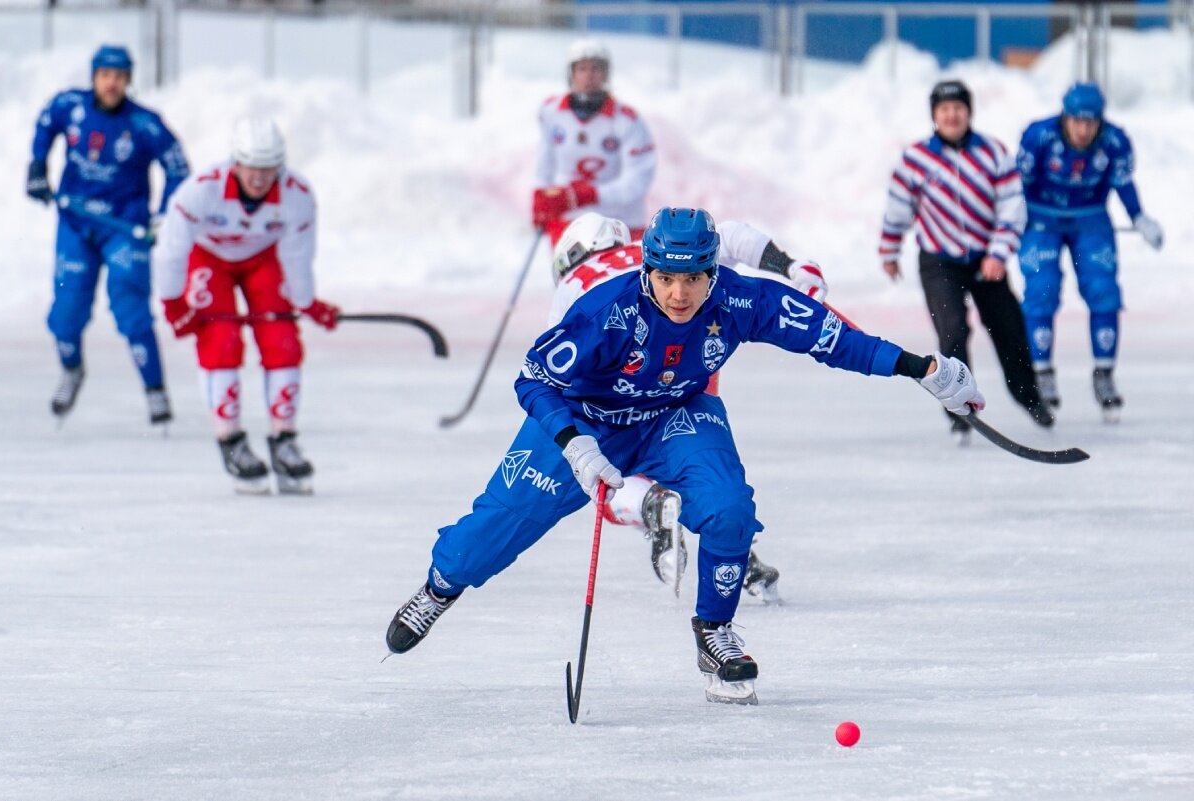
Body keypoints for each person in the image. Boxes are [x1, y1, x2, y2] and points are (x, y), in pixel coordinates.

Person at [385, 207, 986, 706]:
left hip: (674, 413)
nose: (679, 294)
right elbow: (534, 378)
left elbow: (830, 337)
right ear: (646, 268)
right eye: (667, 278)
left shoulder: (739, 298)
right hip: (585, 418)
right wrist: (573, 442)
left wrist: (922, 368)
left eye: (694, 279)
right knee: (495, 529)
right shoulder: (603, 310)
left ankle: (715, 633)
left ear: (712, 273)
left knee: (729, 508)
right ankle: (440, 587)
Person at [549, 212, 829, 602]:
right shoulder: (659, 255)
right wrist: (791, 267)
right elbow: (732, 235)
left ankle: (649, 504)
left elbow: (557, 376)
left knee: (601, 473)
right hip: (690, 367)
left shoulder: (574, 285)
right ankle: (734, 547)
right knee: (698, 463)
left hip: (625, 387)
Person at [152, 117, 339, 495]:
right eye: (251, 167)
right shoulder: (198, 192)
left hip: (262, 258)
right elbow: (172, 252)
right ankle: (231, 440)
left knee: (283, 339)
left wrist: (305, 302)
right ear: (235, 163)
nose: (259, 177)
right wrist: (174, 303)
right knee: (220, 340)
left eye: (268, 168)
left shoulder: (298, 195)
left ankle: (284, 439)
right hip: (209, 256)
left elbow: (298, 255)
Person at [880, 79, 1051, 441]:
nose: (951, 115)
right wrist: (889, 250)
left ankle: (1030, 398)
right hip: (938, 260)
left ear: (968, 112)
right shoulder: (916, 159)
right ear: (934, 115)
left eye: (958, 108)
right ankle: (959, 412)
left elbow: (1012, 207)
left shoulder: (992, 152)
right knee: (953, 331)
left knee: (1009, 328)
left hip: (986, 259)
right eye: (944, 109)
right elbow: (898, 208)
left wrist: (998, 254)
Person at [27, 44, 190, 425]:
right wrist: (37, 167)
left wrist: (163, 216)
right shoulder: (70, 106)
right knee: (66, 312)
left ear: (128, 80)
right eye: (104, 75)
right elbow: (46, 122)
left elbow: (178, 169)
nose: (111, 83)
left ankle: (155, 390)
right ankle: (71, 371)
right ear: (94, 77)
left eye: (119, 76)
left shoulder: (145, 124)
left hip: (125, 230)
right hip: (75, 225)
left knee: (131, 310)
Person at [1016, 82, 1163, 422]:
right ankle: (1042, 372)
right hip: (1042, 218)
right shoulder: (1038, 136)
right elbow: (1019, 181)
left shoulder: (1115, 141)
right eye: (1077, 121)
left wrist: (1138, 216)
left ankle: (1104, 373)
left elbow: (1122, 182)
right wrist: (1014, 214)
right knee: (1041, 288)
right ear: (1065, 117)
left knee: (1103, 289)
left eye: (1091, 122)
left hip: (1090, 218)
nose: (1083, 130)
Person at [532, 38, 657, 246]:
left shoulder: (627, 120)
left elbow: (638, 180)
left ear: (606, 73)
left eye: (596, 68)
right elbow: (544, 165)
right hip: (570, 221)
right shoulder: (551, 112)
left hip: (620, 224)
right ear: (571, 73)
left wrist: (590, 195)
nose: (589, 75)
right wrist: (540, 198)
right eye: (582, 68)